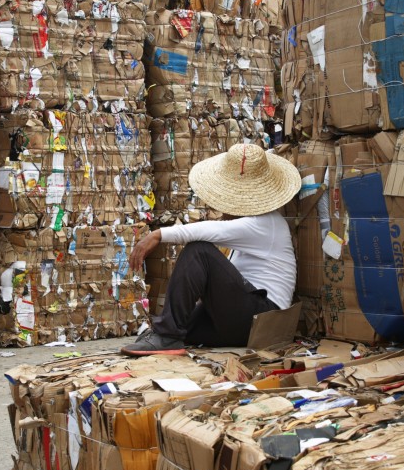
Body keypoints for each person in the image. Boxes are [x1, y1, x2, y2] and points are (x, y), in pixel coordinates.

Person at [121, 143, 301, 356]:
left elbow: (212, 231)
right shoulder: (252, 227)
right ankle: (166, 334)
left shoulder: (265, 222)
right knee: (182, 325)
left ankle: (167, 337)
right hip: (246, 320)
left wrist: (158, 235)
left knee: (199, 251)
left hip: (262, 318)